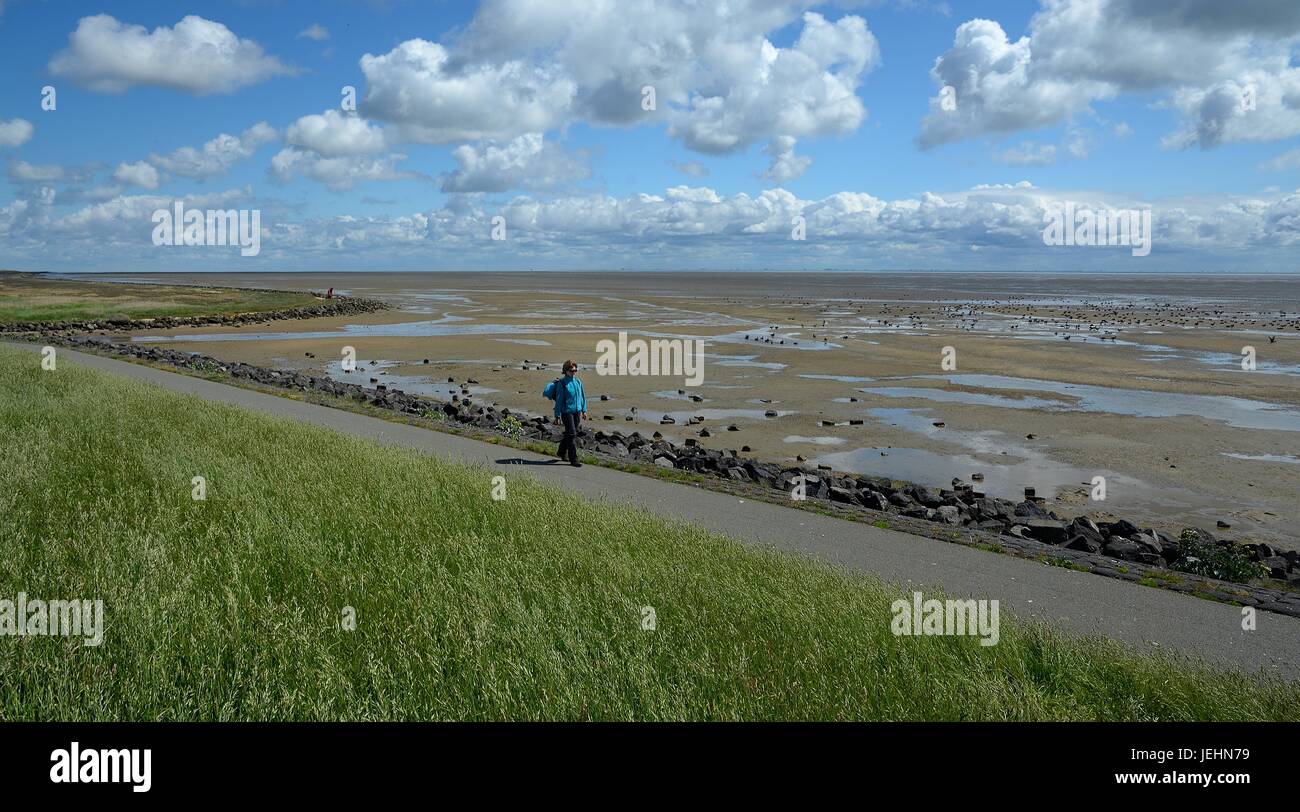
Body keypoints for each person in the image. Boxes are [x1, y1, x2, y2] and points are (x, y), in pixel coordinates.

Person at [543, 359, 588, 467]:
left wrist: (584, 410)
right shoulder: (562, 384)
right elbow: (559, 400)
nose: (574, 372)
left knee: (570, 433)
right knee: (572, 433)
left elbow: (582, 397)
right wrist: (557, 416)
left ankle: (561, 452)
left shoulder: (578, 382)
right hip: (566, 412)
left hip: (577, 411)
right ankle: (574, 459)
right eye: (572, 370)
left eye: (575, 370)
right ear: (566, 370)